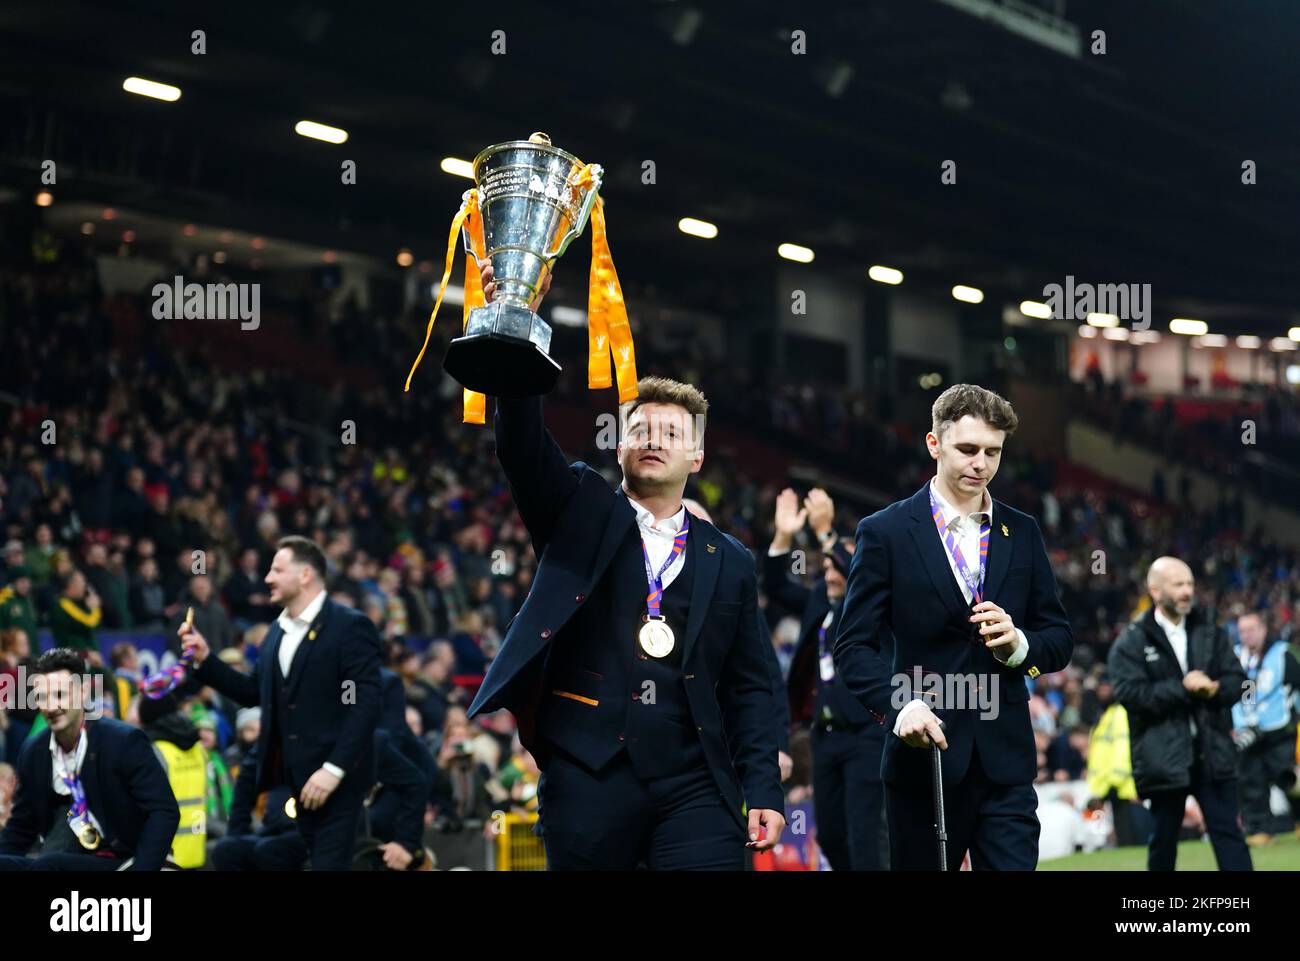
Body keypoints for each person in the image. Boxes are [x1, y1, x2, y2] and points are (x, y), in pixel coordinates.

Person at [467, 258, 783, 870]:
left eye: (671, 432)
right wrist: (518, 320)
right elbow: (521, 446)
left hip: (694, 778)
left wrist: (764, 787)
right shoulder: (581, 508)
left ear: (696, 457)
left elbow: (751, 685)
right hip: (589, 769)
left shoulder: (731, 561)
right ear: (619, 446)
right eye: (640, 428)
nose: (653, 439)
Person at [834, 384, 1073, 870]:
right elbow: (854, 646)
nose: (980, 464)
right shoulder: (885, 532)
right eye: (967, 449)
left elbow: (1059, 638)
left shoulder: (1022, 531)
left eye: (993, 452)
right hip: (924, 760)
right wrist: (898, 706)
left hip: (1006, 764)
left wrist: (1020, 645)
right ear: (934, 444)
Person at [179, 535, 383, 870]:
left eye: (277, 569)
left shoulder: (349, 626)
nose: (267, 578)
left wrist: (334, 770)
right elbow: (252, 693)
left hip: (338, 783)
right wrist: (205, 660)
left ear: (305, 575)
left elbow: (364, 706)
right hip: (292, 785)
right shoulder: (276, 632)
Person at [1108, 556, 1252, 871]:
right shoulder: (1132, 641)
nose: (1187, 591)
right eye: (1179, 584)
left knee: (1230, 836)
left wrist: (1214, 689)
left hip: (1211, 754)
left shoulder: (1210, 631)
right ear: (1155, 591)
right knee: (1163, 842)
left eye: (1189, 584)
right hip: (1164, 758)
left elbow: (1239, 682)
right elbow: (1129, 694)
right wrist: (1183, 688)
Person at [769, 487, 886, 870]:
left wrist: (825, 531)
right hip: (825, 736)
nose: (830, 572)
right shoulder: (819, 601)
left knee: (864, 831)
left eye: (838, 567)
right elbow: (777, 588)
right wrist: (784, 538)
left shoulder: (871, 608)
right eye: (828, 565)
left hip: (867, 734)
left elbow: (859, 574)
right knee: (832, 834)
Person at [0, 648, 179, 870]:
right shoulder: (33, 752)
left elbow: (164, 812)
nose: (50, 707)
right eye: (41, 697)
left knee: (49, 865)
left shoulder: (123, 741)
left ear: (83, 691)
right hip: (64, 857)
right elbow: (20, 829)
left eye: (59, 695)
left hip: (125, 860)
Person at [1231, 610, 1300, 844]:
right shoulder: (1240, 658)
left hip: (1280, 731)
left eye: (1251, 630)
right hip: (1251, 733)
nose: (1246, 636)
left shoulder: (1282, 654)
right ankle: (1259, 828)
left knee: (1289, 779)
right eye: (1242, 631)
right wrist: (1245, 721)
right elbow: (1247, 695)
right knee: (1251, 780)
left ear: (1262, 629)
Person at [49, 569, 101, 654]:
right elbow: (89, 624)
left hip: (87, 658)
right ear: (71, 584)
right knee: (23, 667)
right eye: (82, 582)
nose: (85, 587)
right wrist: (95, 609)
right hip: (71, 660)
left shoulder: (81, 603)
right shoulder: (62, 604)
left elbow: (96, 627)